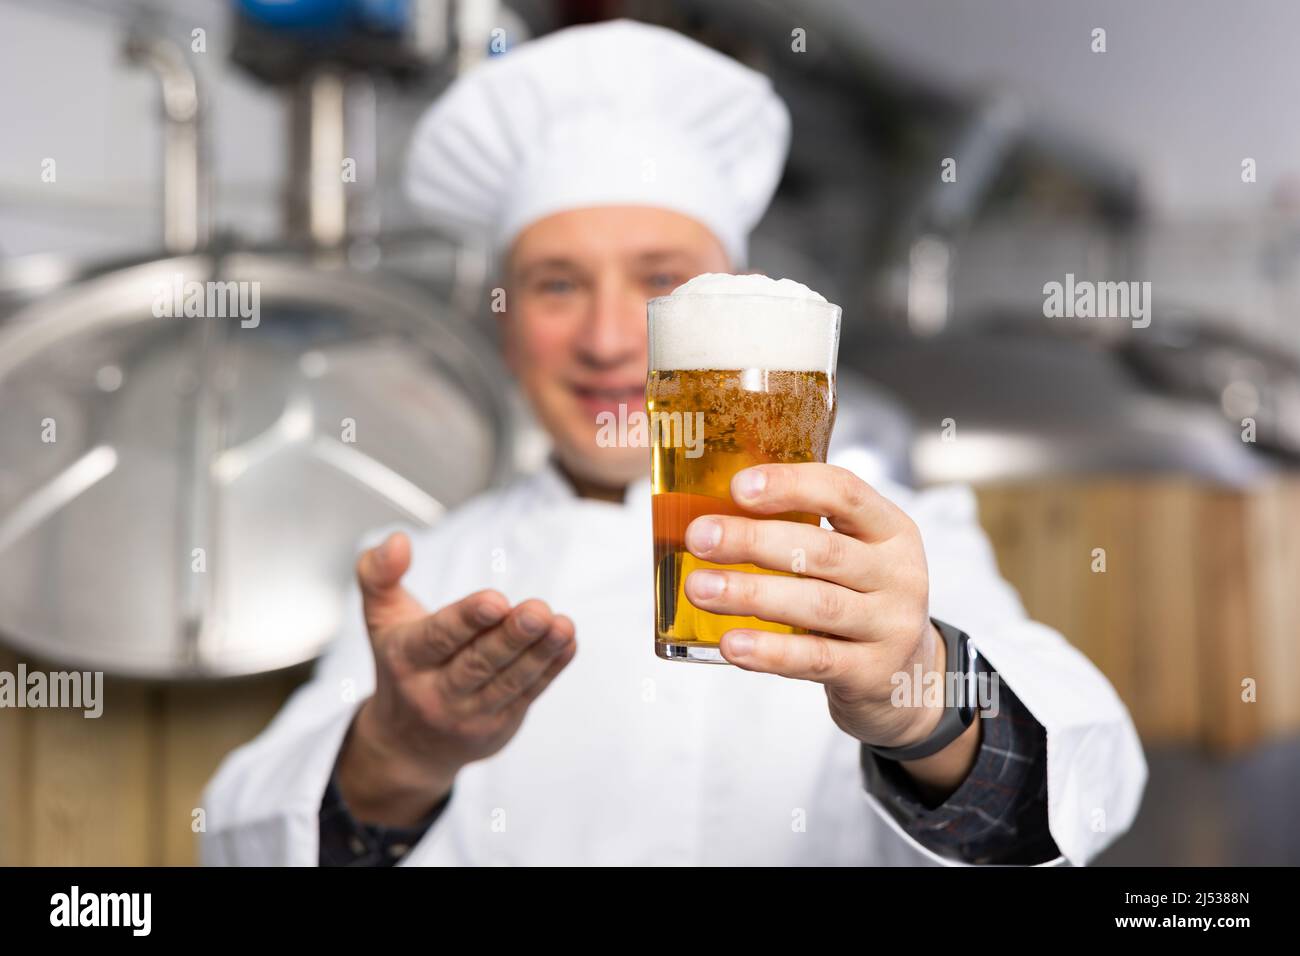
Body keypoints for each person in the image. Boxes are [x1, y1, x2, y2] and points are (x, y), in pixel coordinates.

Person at [202, 19, 1145, 866]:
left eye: (661, 280)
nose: (612, 340)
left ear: (737, 307)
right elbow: (243, 842)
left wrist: (926, 699)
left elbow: (1084, 777)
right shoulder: (442, 569)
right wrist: (394, 757)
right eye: (558, 284)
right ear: (505, 324)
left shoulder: (876, 539)